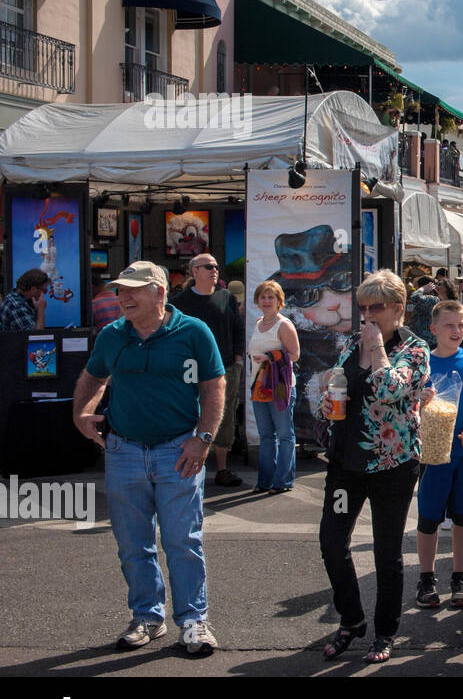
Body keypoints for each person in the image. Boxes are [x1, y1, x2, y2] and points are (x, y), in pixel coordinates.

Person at [72, 262, 225, 654]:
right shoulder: (112, 335)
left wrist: (203, 439)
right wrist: (82, 413)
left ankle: (193, 620)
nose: (123, 297)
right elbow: (94, 377)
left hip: (178, 451)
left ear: (159, 292)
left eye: (133, 290)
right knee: (133, 544)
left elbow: (214, 386)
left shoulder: (193, 331)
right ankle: (147, 616)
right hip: (123, 451)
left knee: (182, 540)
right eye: (120, 290)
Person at [318, 270, 433, 663]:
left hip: (393, 465)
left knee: (387, 553)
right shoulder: (353, 342)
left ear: (398, 309)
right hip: (346, 463)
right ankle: (351, 619)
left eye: (376, 307)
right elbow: (340, 383)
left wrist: (379, 350)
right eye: (362, 307)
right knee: (332, 543)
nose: (367, 315)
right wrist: (329, 402)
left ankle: (385, 631)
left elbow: (391, 389)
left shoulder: (415, 350)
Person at [415, 299, 463, 609]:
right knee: (429, 518)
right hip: (433, 455)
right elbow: (407, 408)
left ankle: (460, 576)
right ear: (433, 329)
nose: (456, 330)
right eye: (449, 325)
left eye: (461, 325)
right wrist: (420, 400)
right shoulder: (421, 365)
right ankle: (427, 577)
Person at [168, 253, 246, 488]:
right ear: (194, 272)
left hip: (225, 368)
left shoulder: (226, 298)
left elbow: (238, 329)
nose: (214, 270)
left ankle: (222, 468)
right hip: (190, 370)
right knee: (189, 414)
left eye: (215, 266)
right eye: (207, 266)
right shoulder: (179, 303)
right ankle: (186, 465)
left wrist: (238, 358)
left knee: (225, 415)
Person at [249, 280, 300, 494]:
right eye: (263, 297)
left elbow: (295, 354)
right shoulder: (259, 322)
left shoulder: (284, 324)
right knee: (266, 436)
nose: (266, 301)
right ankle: (265, 481)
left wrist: (270, 357)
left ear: (279, 301)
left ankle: (283, 481)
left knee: (285, 434)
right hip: (259, 386)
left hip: (280, 387)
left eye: (271, 297)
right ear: (258, 301)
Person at [408, 275, 439, 347]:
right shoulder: (426, 299)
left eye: (418, 287)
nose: (416, 289)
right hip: (420, 339)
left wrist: (423, 289)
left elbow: (414, 297)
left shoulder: (432, 299)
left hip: (426, 340)